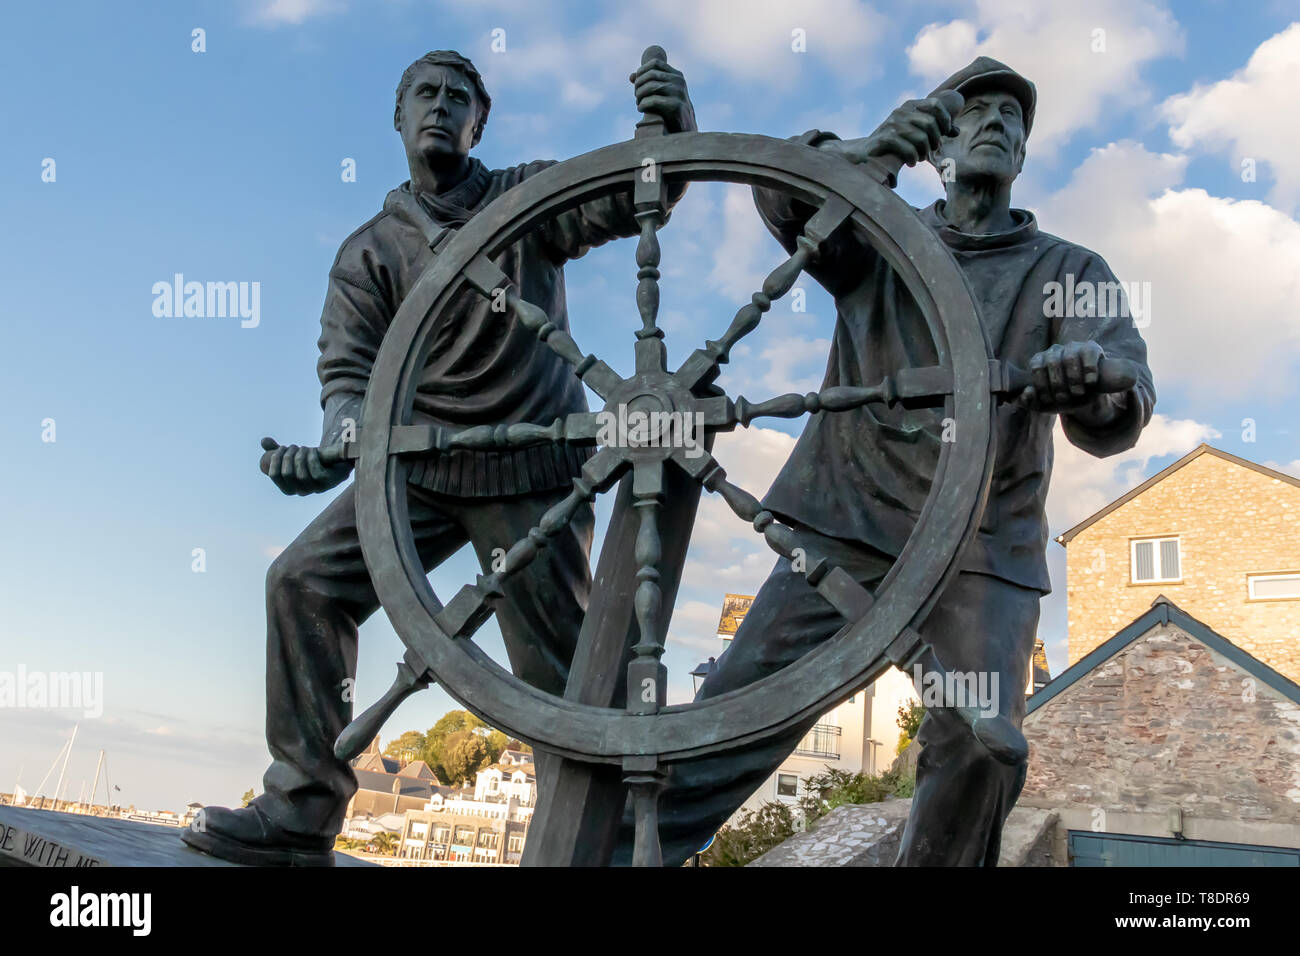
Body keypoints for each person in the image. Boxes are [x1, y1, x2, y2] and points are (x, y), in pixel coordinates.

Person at [616, 56, 1155, 866]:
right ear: (937, 148)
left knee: (986, 748)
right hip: (843, 518)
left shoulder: (1070, 273)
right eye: (974, 113)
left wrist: (1091, 383)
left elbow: (1126, 399)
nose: (997, 126)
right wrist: (873, 149)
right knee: (721, 731)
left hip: (983, 544)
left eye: (1013, 120)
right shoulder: (875, 230)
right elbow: (786, 193)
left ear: (1023, 158)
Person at [182, 49, 697, 866]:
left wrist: (672, 127)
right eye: (426, 92)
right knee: (301, 582)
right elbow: (349, 377)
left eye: (461, 96)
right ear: (398, 116)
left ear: (479, 123)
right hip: (418, 471)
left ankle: (583, 850)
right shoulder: (369, 251)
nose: (442, 104)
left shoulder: (527, 199)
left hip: (531, 474)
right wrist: (336, 442)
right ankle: (300, 810)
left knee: (562, 678)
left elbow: (643, 192)